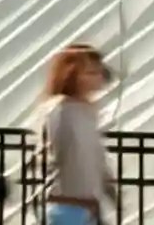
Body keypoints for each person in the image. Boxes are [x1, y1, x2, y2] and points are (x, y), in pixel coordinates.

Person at [38, 44, 117, 225]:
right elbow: (57, 155)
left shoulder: (88, 112)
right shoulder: (60, 110)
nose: (97, 78)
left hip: (88, 206)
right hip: (67, 207)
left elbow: (95, 157)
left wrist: (108, 186)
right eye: (90, 73)